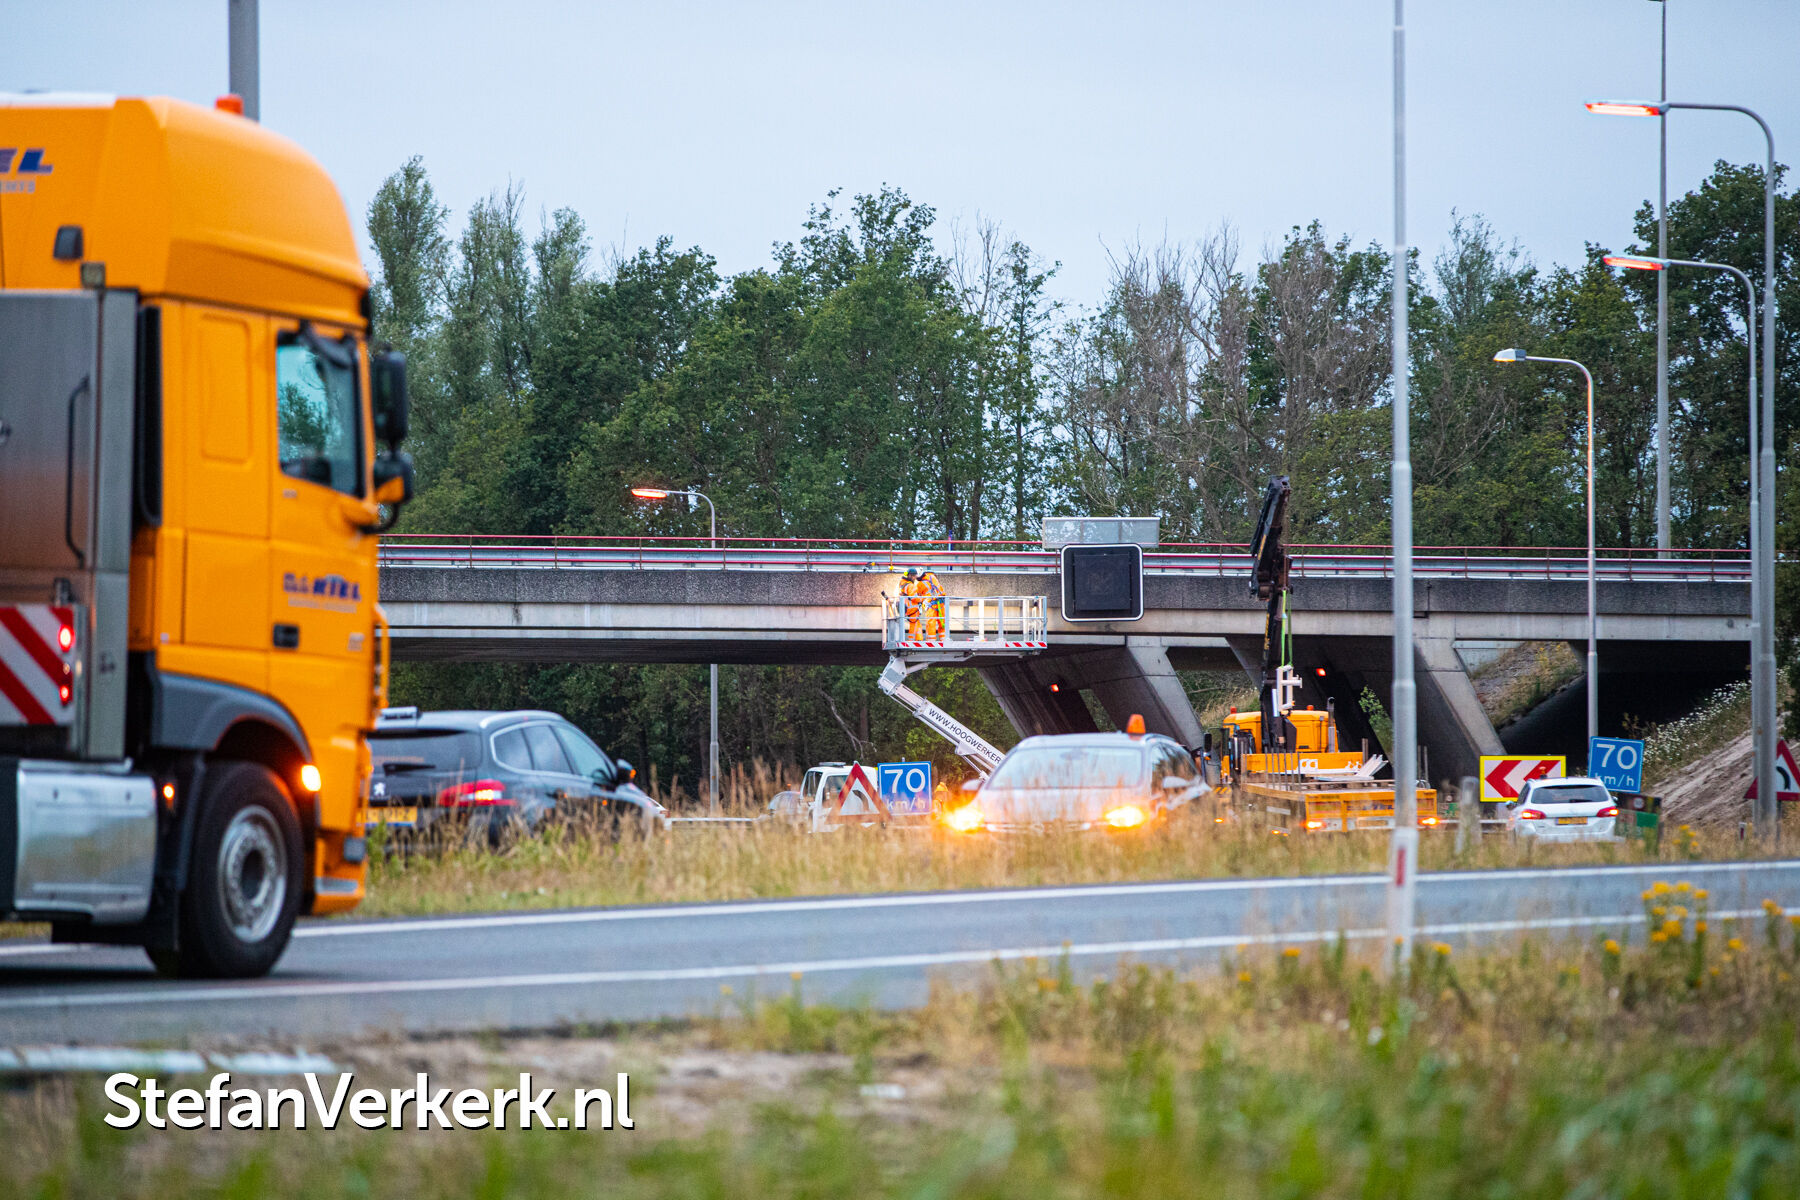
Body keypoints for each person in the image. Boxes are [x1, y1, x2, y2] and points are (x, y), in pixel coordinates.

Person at [921, 569, 946, 639]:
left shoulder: (920, 583)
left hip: (931, 606)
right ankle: (944, 640)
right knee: (943, 623)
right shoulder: (933, 578)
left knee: (931, 624)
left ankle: (931, 640)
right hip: (941, 604)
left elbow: (918, 595)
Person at [899, 568, 923, 640]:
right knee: (914, 624)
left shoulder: (903, 584)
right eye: (914, 576)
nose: (915, 578)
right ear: (910, 576)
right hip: (912, 608)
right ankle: (911, 640)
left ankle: (919, 639)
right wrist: (922, 599)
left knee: (917, 624)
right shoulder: (910, 585)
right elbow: (914, 597)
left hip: (908, 607)